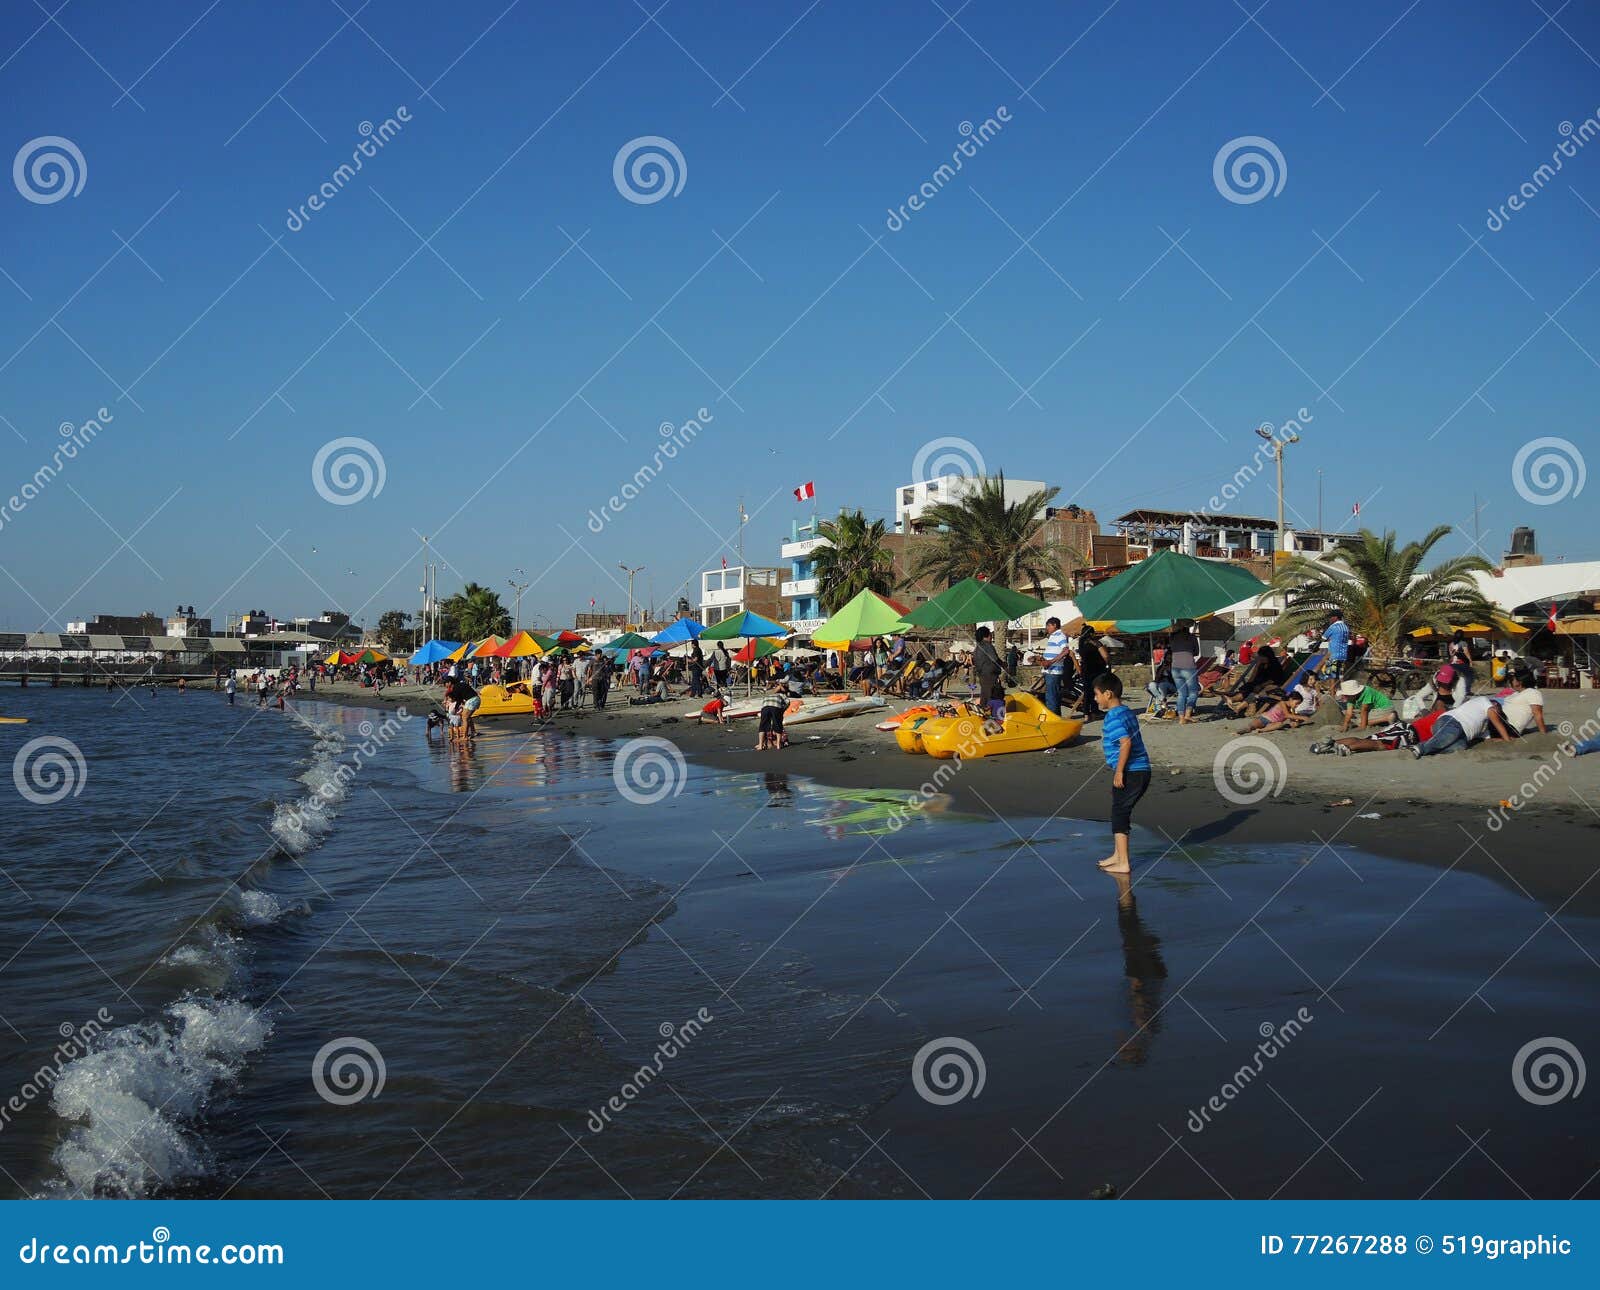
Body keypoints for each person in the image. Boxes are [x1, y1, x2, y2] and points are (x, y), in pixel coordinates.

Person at [1094, 673, 1151, 875]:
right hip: (1137, 770)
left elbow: (1125, 742)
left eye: (1096, 694)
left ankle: (1124, 862)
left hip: (1132, 771)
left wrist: (1119, 771)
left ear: (1108, 694)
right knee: (1118, 810)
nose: (1095, 698)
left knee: (1120, 813)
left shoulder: (1113, 716)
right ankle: (1118, 855)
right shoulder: (1126, 712)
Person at [1410, 693, 1511, 757]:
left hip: (1458, 734)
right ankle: (1421, 748)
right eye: (1497, 708)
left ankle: (1430, 749)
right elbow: (1496, 720)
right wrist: (1507, 739)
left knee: (1461, 746)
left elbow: (1487, 739)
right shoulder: (1485, 702)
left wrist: (1500, 739)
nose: (1496, 710)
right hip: (1451, 721)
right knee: (1453, 733)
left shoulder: (1485, 728)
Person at [1166, 618, 1201, 723]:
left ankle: (1181, 718)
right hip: (1189, 667)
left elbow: (1171, 649)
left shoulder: (1172, 637)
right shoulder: (1191, 637)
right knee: (1193, 692)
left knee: (1182, 693)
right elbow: (1196, 652)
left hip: (1175, 668)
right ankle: (1187, 715)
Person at [1497, 665, 1547, 735]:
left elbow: (1537, 714)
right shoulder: (1517, 693)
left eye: (1513, 679)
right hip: (1499, 722)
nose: (1511, 681)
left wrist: (1543, 733)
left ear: (1520, 681)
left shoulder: (1533, 692)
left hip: (1506, 727)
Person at [972, 626, 1005, 723]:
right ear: (986, 636)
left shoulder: (977, 648)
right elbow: (995, 659)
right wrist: (1003, 664)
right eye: (990, 634)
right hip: (990, 675)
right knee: (993, 696)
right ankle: (994, 719)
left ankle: (983, 716)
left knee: (984, 696)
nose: (991, 636)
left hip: (982, 675)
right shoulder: (987, 645)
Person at [1041, 616, 1071, 715]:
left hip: (1054, 671)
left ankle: (1053, 718)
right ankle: (1056, 717)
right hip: (1049, 670)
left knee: (1051, 697)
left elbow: (1066, 651)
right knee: (1052, 696)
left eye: (1048, 626)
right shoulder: (1053, 636)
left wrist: (1051, 661)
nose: (1047, 628)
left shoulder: (1060, 635)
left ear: (1054, 625)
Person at [1076, 628, 1106, 720]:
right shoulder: (1096, 643)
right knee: (1095, 691)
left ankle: (1086, 714)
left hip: (1085, 670)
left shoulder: (1081, 643)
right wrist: (1107, 663)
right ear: (1091, 633)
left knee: (1087, 692)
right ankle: (1094, 712)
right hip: (1096, 669)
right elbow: (1105, 656)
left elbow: (1082, 657)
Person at [757, 682, 788, 750]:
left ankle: (760, 745)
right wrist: (782, 710)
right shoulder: (782, 695)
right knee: (777, 724)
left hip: (765, 707)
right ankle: (778, 745)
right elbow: (787, 703)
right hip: (776, 707)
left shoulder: (768, 694)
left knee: (762, 725)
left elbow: (764, 702)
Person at [1323, 610, 1351, 679]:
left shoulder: (1333, 627)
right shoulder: (1345, 627)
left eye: (1331, 617)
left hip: (1333, 655)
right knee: (1341, 674)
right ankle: (1342, 687)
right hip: (1343, 655)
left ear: (1335, 617)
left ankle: (1332, 689)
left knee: (1332, 675)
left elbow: (1323, 638)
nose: (1330, 619)